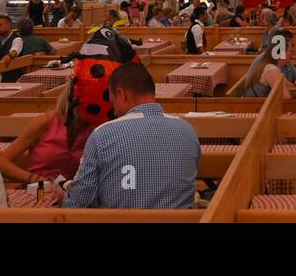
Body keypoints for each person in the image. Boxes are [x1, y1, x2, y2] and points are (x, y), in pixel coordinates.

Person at [66, 63, 200, 209]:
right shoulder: (188, 131)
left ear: (121, 94)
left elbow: (78, 204)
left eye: (113, 102)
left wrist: (64, 197)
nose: (115, 111)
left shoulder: (102, 135)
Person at [0, 84, 94, 185]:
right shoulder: (45, 122)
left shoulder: (94, 128)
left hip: (71, 193)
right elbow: (2, 163)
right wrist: (34, 179)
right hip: (38, 190)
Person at [236, 28, 296, 97]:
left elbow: (291, 87)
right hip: (251, 106)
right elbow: (286, 98)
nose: (293, 52)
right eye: (291, 49)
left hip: (258, 106)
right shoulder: (271, 70)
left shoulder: (273, 66)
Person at [0, 14, 24, 82]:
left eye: (0, 25)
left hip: (14, 80)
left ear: (9, 25)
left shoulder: (17, 39)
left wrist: (9, 56)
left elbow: (15, 51)